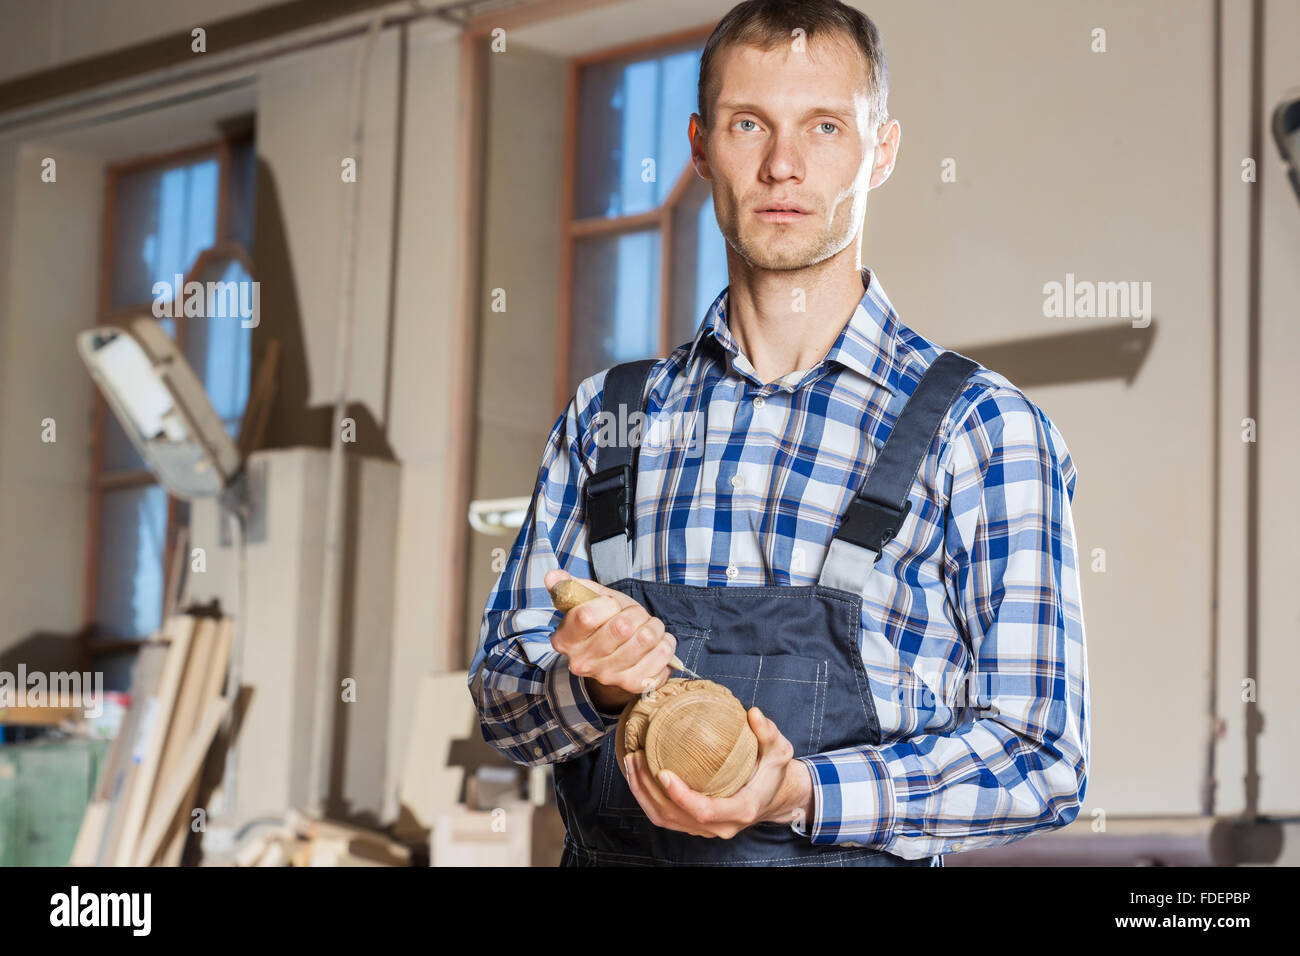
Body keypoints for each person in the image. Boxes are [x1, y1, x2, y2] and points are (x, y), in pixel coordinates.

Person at [469, 0, 1089, 867]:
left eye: (826, 127)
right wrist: (593, 688)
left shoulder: (984, 432)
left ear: (881, 152)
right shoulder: (609, 419)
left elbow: (1042, 759)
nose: (782, 165)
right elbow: (502, 699)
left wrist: (802, 792)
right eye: (748, 123)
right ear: (699, 146)